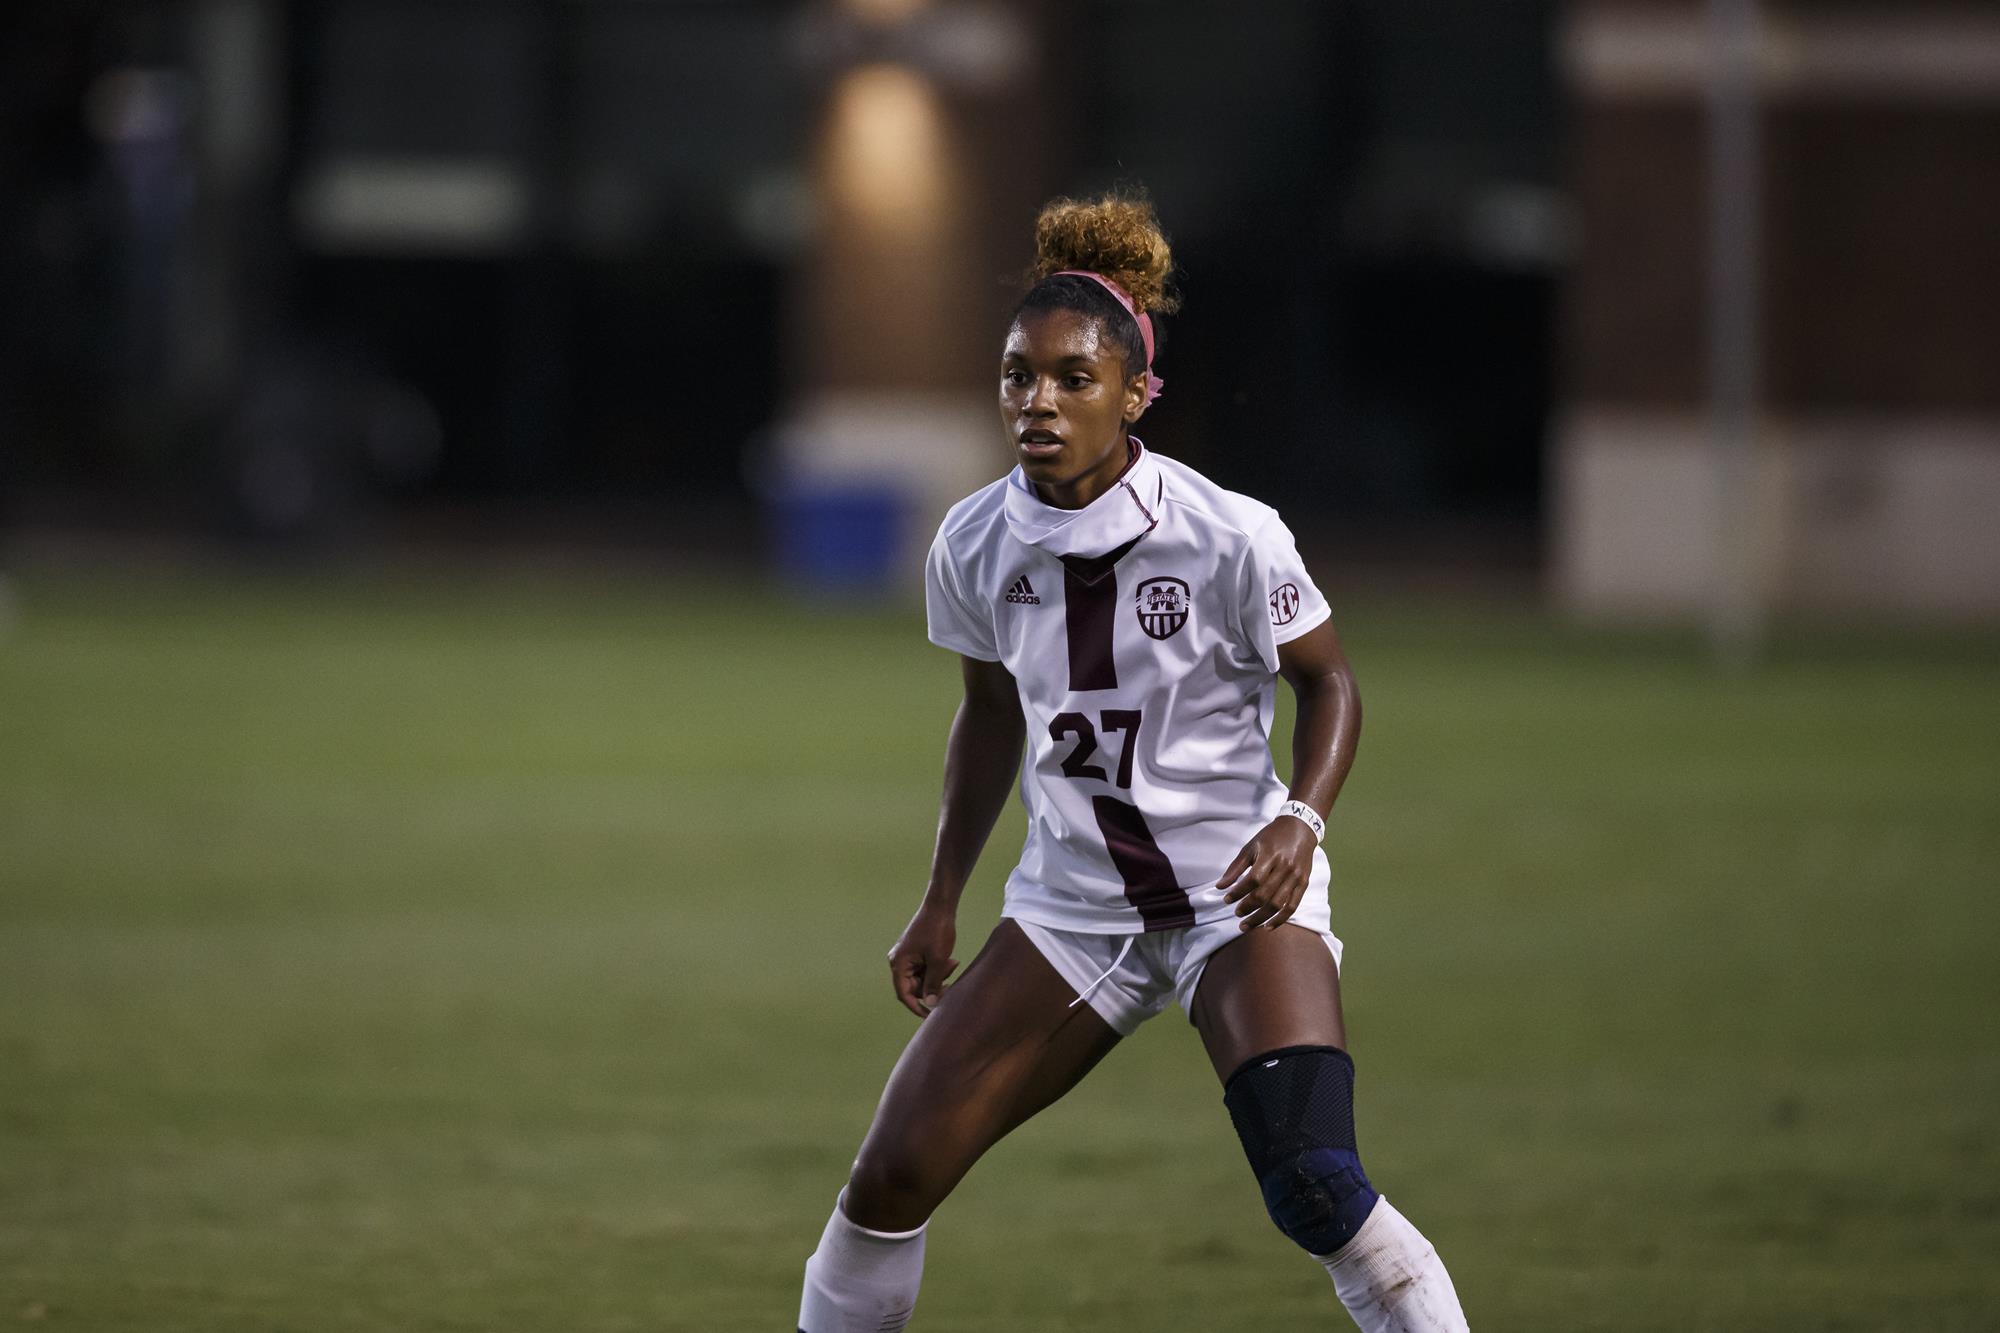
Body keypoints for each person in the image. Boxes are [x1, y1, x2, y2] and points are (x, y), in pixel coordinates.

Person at [798, 194, 1469, 1332]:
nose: (1037, 402)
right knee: (887, 1184)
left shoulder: (1228, 534)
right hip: (1071, 911)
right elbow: (988, 715)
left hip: (1234, 892)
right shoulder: (969, 541)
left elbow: (1333, 682)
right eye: (1018, 375)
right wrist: (940, 896)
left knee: (1312, 1181)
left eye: (1070, 378)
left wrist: (1298, 822)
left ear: (1134, 394)